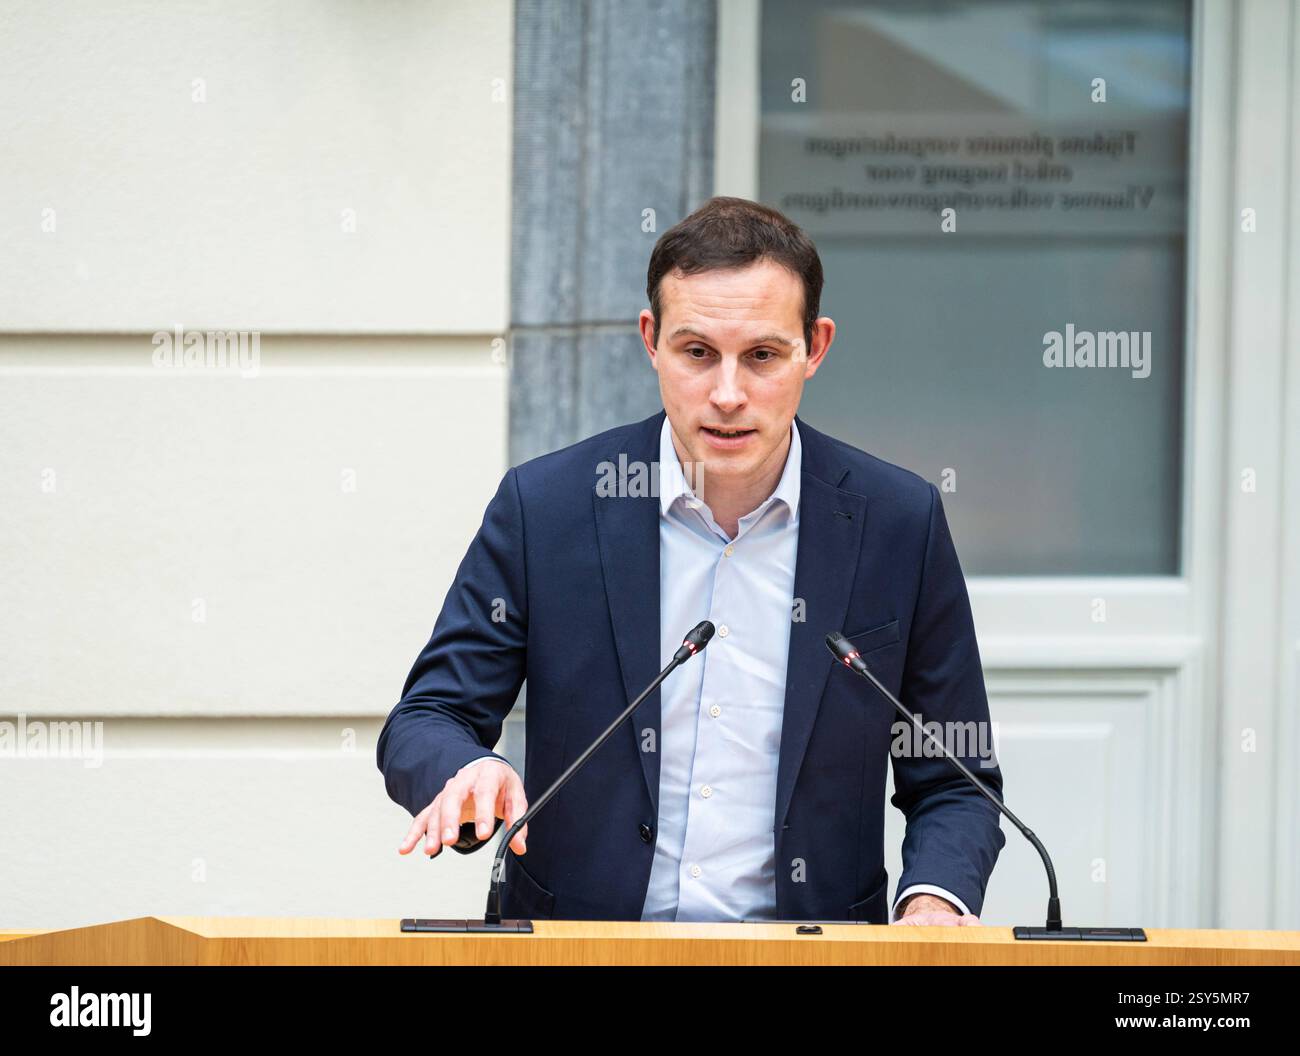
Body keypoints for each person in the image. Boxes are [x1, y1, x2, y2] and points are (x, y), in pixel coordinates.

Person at [377, 196, 1004, 925]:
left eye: (763, 355)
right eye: (698, 352)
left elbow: (957, 780)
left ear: (816, 347)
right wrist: (468, 768)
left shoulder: (899, 522)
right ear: (652, 340)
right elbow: (428, 716)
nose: (728, 394)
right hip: (584, 950)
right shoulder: (546, 508)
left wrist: (933, 899)